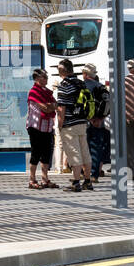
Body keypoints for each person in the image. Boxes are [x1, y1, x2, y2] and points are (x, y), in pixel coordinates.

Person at [55, 58, 92, 192]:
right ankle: (88, 181)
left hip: (70, 124)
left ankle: (76, 182)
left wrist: (60, 125)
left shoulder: (64, 85)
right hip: (82, 122)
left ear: (62, 71)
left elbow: (61, 108)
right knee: (85, 152)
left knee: (74, 153)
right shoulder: (80, 83)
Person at [25, 68, 57, 189]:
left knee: (46, 154)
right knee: (36, 153)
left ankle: (45, 179)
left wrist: (51, 106)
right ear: (37, 79)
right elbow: (46, 108)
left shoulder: (47, 92)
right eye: (44, 77)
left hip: (47, 127)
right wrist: (50, 106)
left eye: (46, 77)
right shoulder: (33, 92)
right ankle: (32, 180)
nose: (47, 79)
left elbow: (55, 104)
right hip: (35, 127)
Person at [81, 64, 109, 185]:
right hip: (99, 123)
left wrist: (89, 118)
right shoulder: (101, 87)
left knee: (84, 149)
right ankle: (94, 175)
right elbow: (108, 104)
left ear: (85, 75)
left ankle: (84, 174)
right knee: (96, 149)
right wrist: (101, 118)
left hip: (84, 122)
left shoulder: (82, 86)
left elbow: (79, 105)